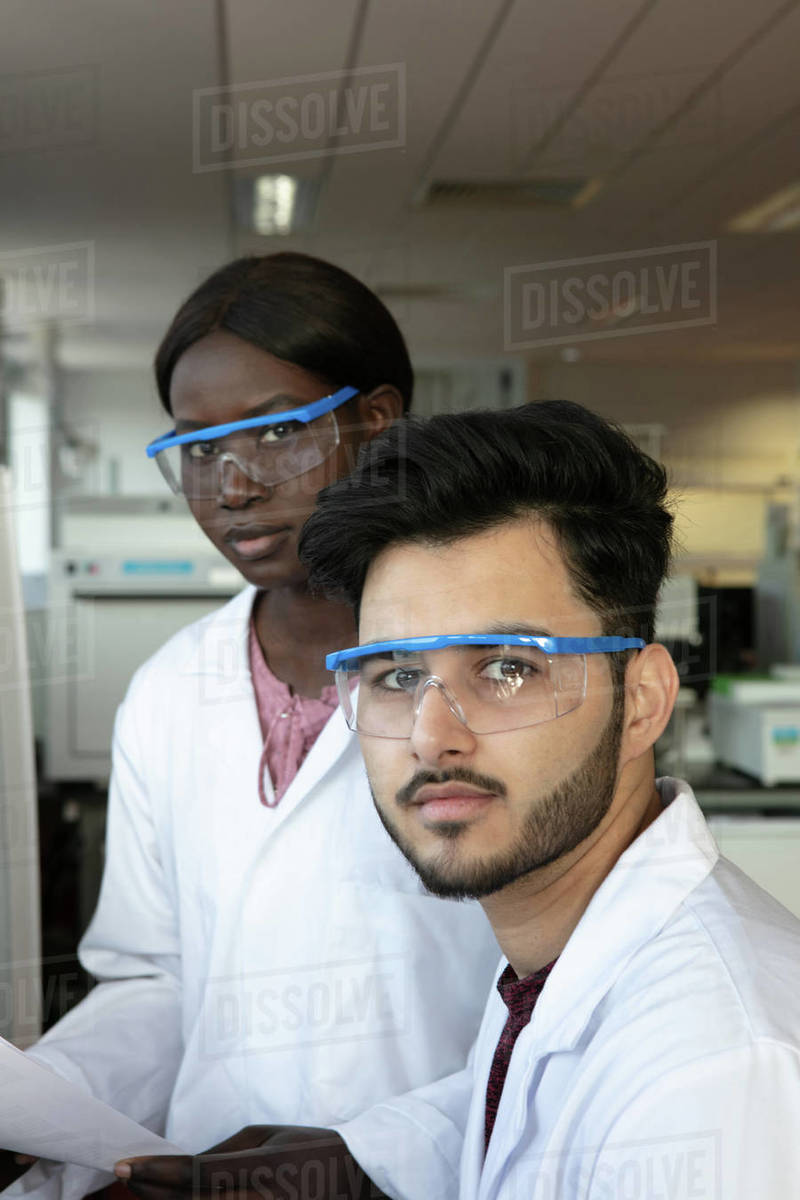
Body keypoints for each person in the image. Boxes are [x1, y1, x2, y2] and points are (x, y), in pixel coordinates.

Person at [117, 399, 800, 1199]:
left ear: (644, 698)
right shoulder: (555, 959)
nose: (432, 737)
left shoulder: (718, 1070)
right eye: (399, 677)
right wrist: (356, 1162)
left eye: (509, 667)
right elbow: (524, 1117)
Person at [3, 254, 500, 1200]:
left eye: (275, 432)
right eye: (198, 447)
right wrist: (41, 1105)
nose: (231, 484)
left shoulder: (494, 676)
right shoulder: (167, 690)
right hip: (200, 1175)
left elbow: (559, 991)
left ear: (376, 420)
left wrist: (368, 1158)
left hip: (430, 1177)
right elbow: (155, 980)